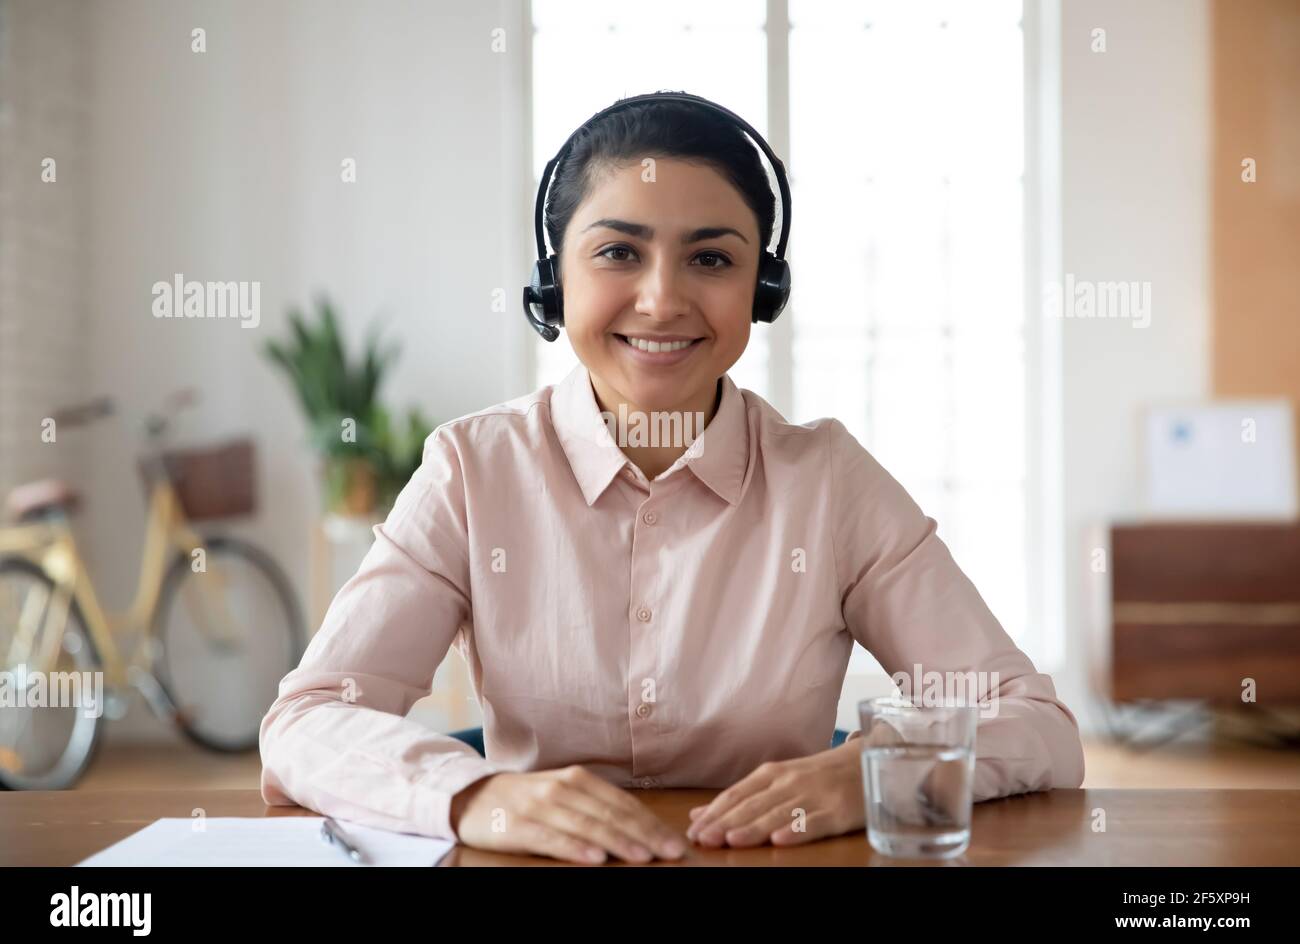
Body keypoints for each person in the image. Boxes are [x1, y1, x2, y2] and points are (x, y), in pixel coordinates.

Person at [259, 92, 1084, 865]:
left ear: (762, 288)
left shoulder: (830, 482)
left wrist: (872, 767)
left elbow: (1036, 723)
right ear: (556, 280)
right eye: (619, 251)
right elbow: (308, 720)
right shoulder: (472, 469)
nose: (661, 301)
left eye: (711, 259)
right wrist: (474, 794)